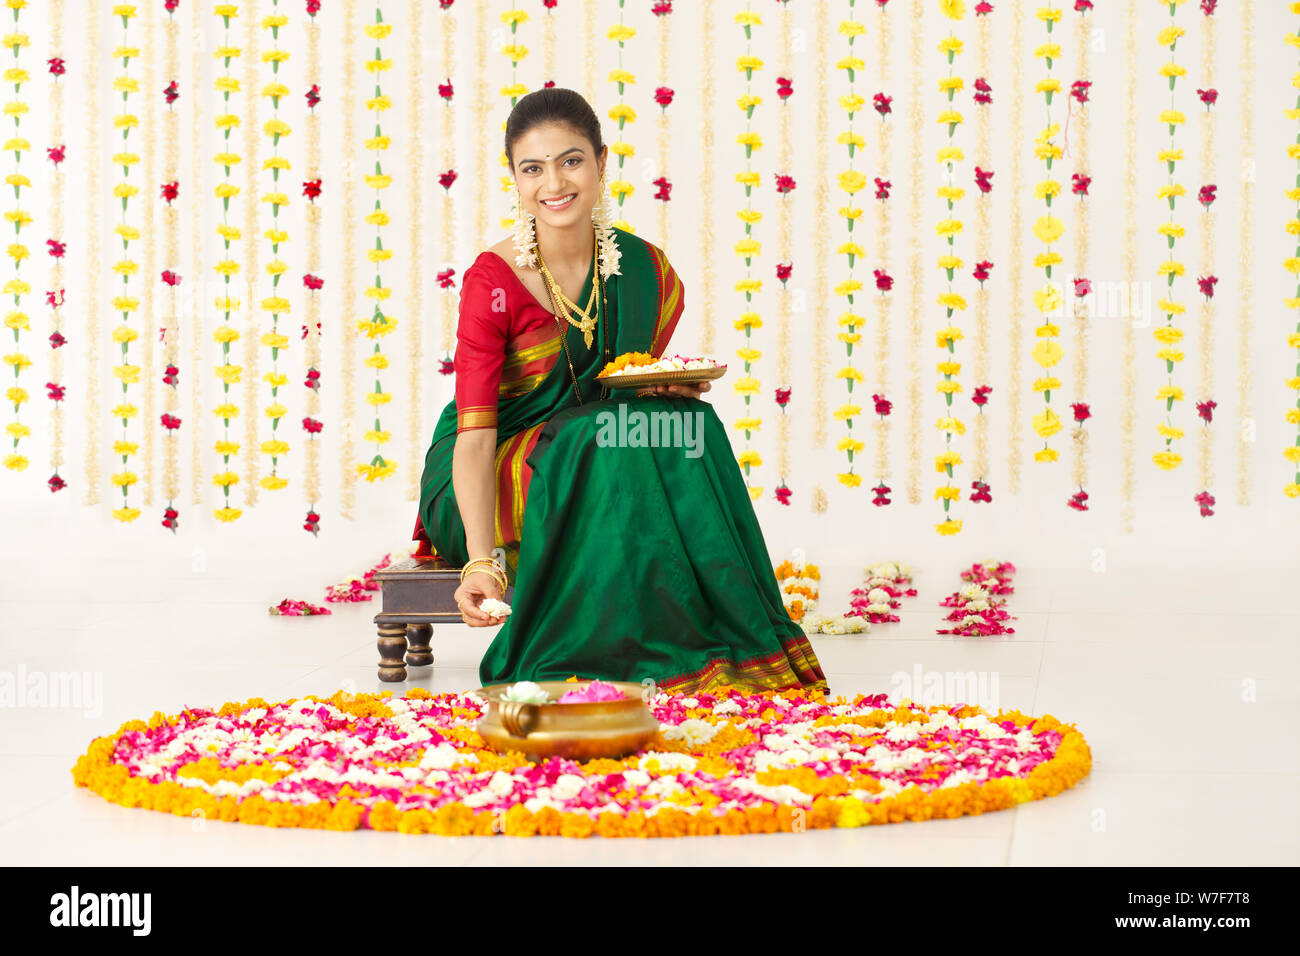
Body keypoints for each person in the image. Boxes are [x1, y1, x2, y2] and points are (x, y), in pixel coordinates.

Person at [413, 87, 827, 696]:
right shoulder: (493, 283)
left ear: (601, 162)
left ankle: (718, 641)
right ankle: (599, 659)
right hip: (487, 474)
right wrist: (481, 562)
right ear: (515, 179)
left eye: (571, 161)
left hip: (598, 453)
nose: (554, 183)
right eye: (533, 168)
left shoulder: (645, 270)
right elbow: (475, 436)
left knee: (690, 427)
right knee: (601, 437)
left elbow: (623, 395)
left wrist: (662, 391)